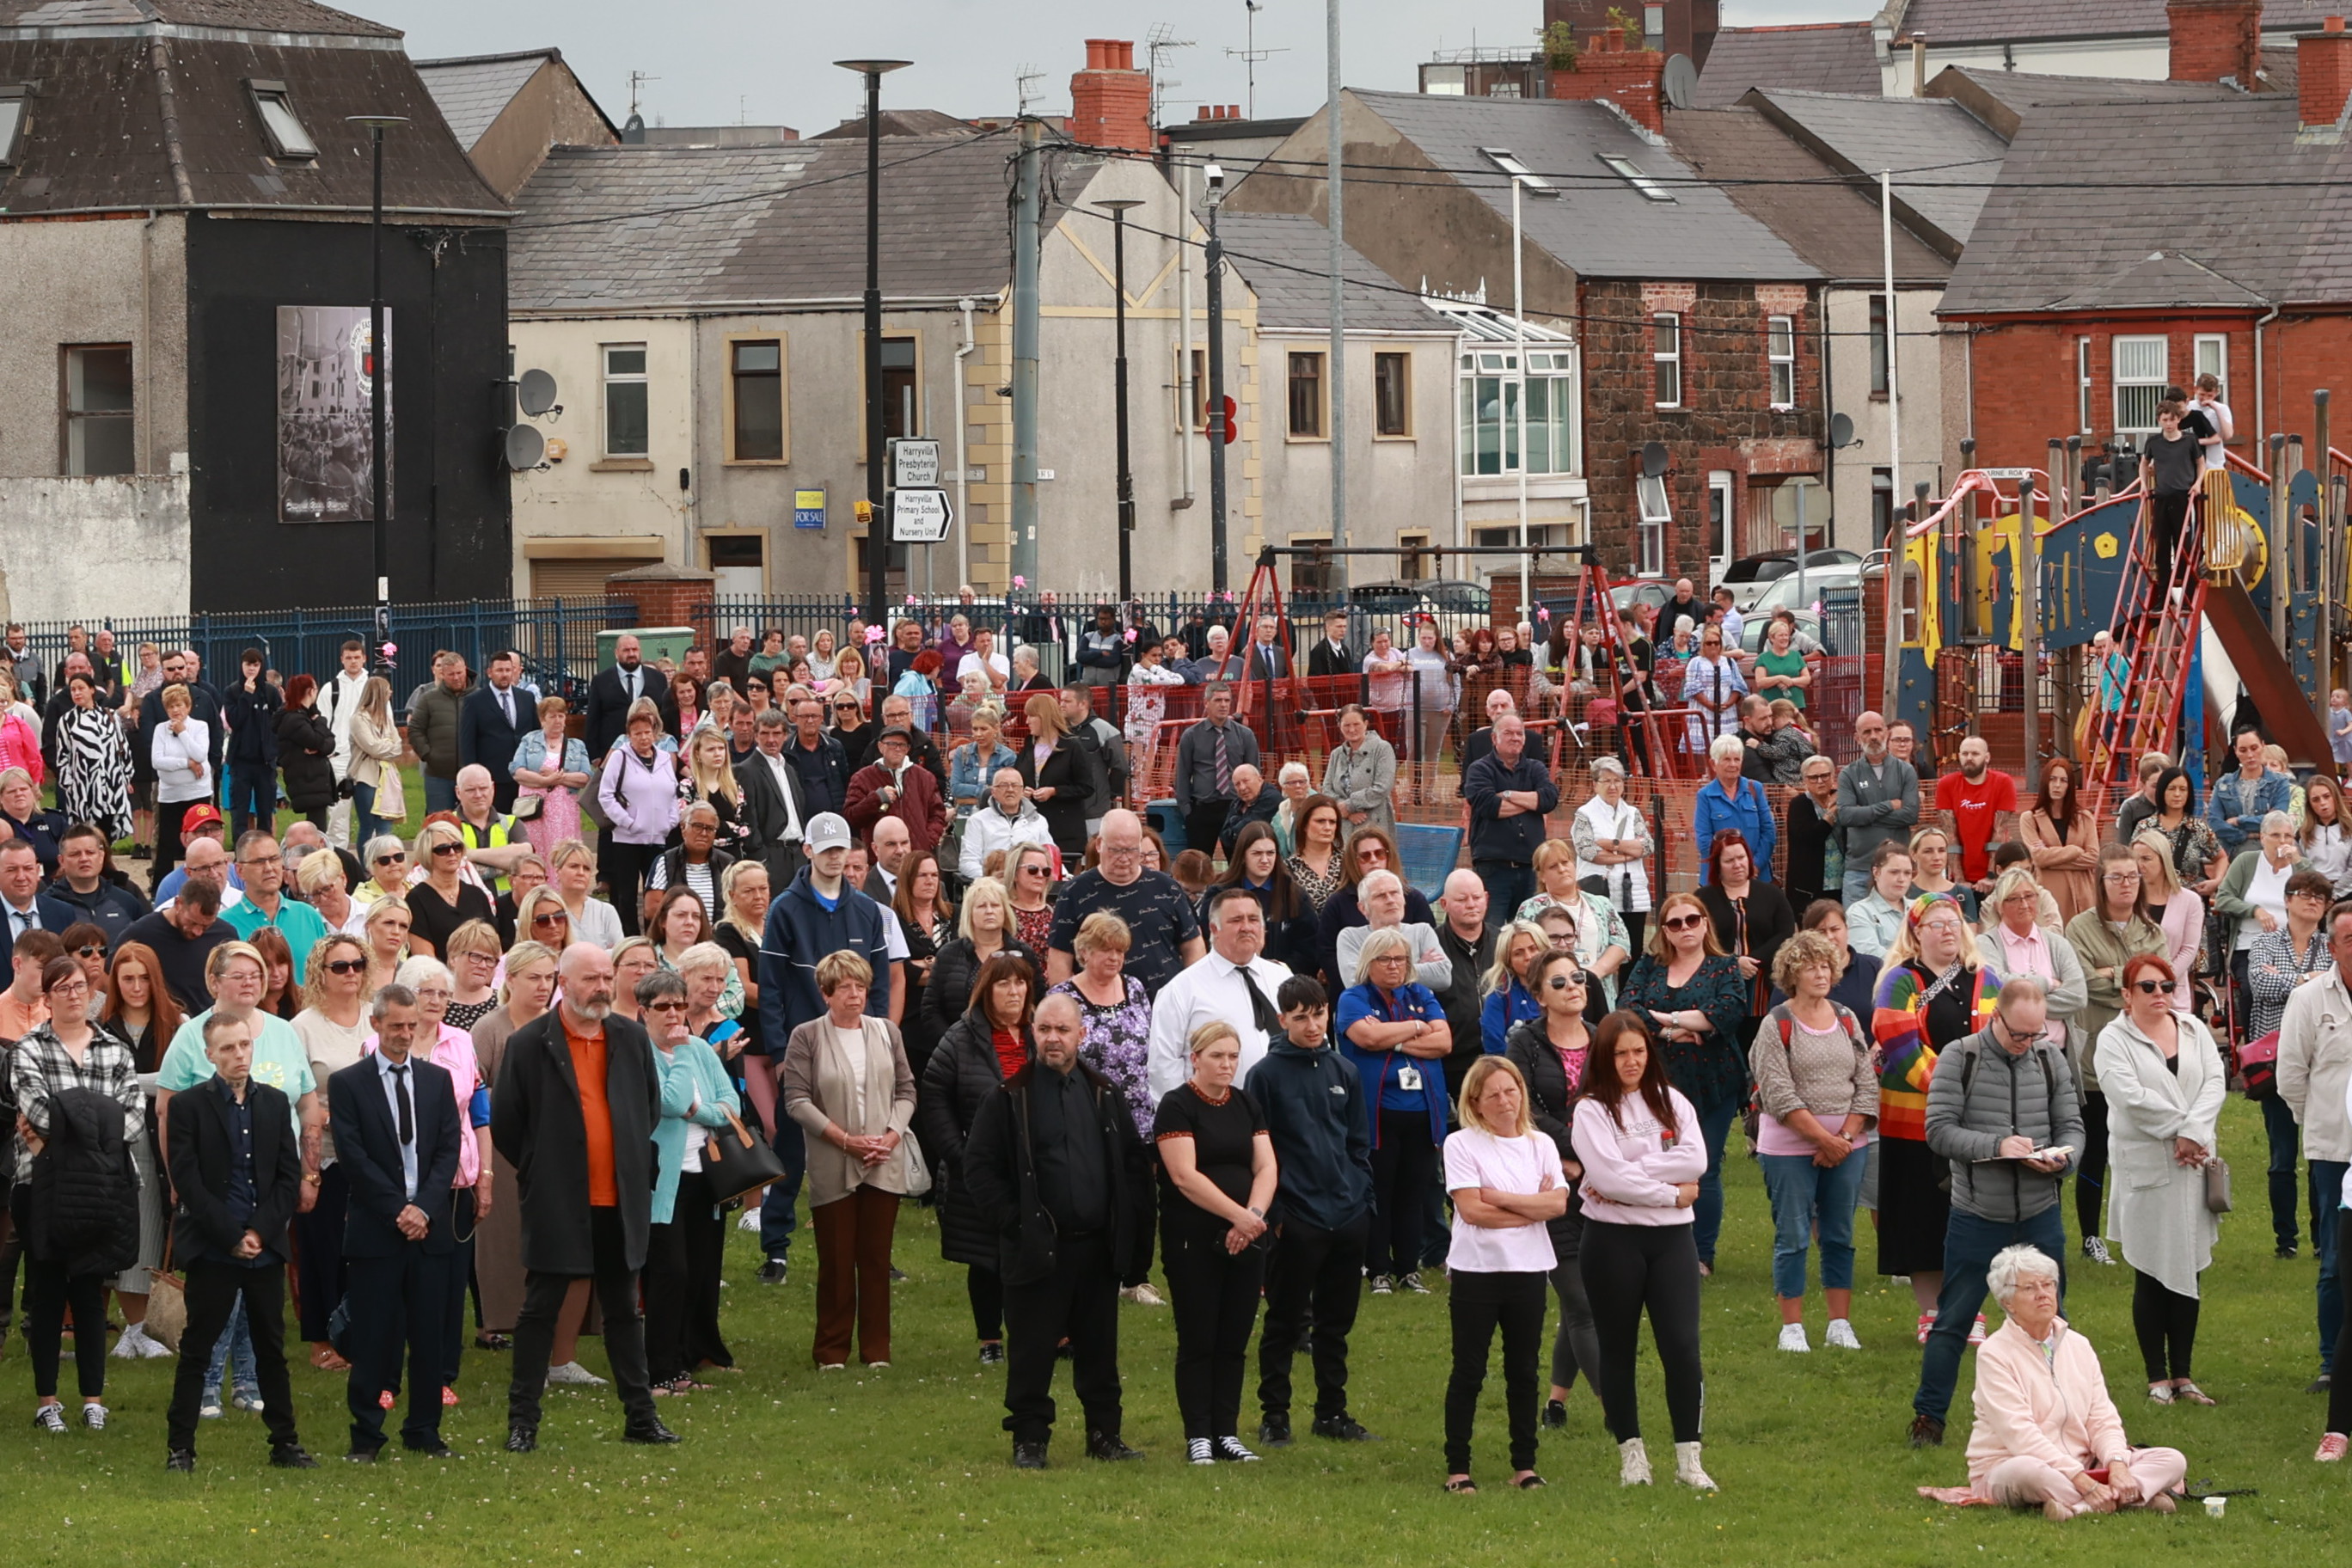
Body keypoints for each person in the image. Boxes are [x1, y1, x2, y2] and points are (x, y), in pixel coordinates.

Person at [961, 989, 1155, 1468]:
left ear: (1081, 1035)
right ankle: (1029, 1439)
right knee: (1031, 1351)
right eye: (1045, 1029)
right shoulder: (1009, 1097)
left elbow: (1132, 1167)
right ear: (1033, 1032)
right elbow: (979, 1170)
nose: (1053, 1038)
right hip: (1035, 1248)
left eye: (1063, 1030)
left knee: (1100, 1352)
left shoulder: (1104, 1094)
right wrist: (1017, 1222)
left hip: (1097, 1249)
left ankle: (1105, 1435)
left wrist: (1131, 1243)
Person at [493, 943, 674, 1452]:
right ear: (563, 984)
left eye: (606, 978)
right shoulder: (530, 1044)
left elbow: (647, 1109)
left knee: (624, 1311)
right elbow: (508, 1123)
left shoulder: (630, 1038)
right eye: (590, 978)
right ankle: (523, 1422)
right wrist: (541, 1169)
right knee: (539, 1311)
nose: (601, 988)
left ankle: (641, 1418)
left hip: (620, 1200)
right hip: (557, 1200)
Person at [1909, 975, 2081, 1449]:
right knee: (1953, 1319)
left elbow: (2072, 1125)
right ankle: (1929, 1419)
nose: (2027, 1042)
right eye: (2018, 1033)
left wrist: (2063, 1160)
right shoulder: (1959, 1057)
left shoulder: (2049, 1058)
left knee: (2053, 1318)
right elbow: (1938, 1131)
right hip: (1977, 1214)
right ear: (1995, 1017)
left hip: (2041, 1210)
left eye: (2035, 1033)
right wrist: (1997, 1146)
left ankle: (2065, 1417)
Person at [162, 1009, 316, 1473]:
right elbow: (188, 1181)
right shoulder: (188, 1107)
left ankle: (285, 1442)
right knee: (199, 1346)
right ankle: (181, 1448)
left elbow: (287, 1178)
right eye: (228, 1048)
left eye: (244, 1045)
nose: (239, 1055)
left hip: (264, 1247)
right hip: (213, 1246)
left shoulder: (275, 1103)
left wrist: (259, 1232)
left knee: (272, 1347)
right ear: (210, 1055)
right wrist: (231, 1235)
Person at [751, 812, 897, 1289]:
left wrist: (877, 1038)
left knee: (866, 1148)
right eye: (827, 849)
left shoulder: (868, 911)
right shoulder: (785, 910)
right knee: (791, 1152)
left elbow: (877, 986)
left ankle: (873, 1250)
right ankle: (776, 1248)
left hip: (859, 1047)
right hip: (803, 1049)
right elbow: (772, 988)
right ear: (809, 851)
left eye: (842, 849)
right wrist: (780, 1053)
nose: (836, 858)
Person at [1571, 1011, 1710, 1489]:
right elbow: (1607, 1179)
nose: (1631, 1062)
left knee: (1682, 1348)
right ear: (1604, 1059)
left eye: (1639, 1052)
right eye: (1620, 1054)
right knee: (1618, 1348)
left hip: (1671, 1241)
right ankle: (1632, 1455)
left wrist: (1629, 1172)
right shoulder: (1591, 1111)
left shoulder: (1672, 1101)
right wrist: (1670, 1192)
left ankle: (1689, 1460)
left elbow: (1695, 1160)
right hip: (1612, 1241)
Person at [1953, 1244, 2188, 1516]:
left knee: (2172, 1459)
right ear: (2007, 1302)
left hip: (2086, 1463)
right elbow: (2020, 1435)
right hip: (2016, 1463)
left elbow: (2102, 1417)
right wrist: (2081, 1480)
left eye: (2048, 1284)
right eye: (2029, 1288)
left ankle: (2084, 1506)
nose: (2042, 1294)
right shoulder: (1994, 1353)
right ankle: (2131, 1499)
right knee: (2028, 1472)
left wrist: (2117, 1464)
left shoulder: (2079, 1345)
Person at [326, 984, 461, 1459]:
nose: (405, 1034)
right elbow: (353, 1156)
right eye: (396, 1025)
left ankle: (424, 1430)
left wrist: (423, 1208)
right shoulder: (348, 1083)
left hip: (429, 1229)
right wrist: (397, 1210)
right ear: (376, 1024)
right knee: (373, 1337)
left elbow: (447, 1149)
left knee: (429, 1337)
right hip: (376, 1230)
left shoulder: (437, 1081)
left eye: (412, 1025)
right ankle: (366, 1435)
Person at [1242, 975, 1378, 1448]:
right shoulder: (1264, 1075)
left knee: (1335, 1324)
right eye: (1301, 1017)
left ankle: (1332, 1413)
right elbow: (1258, 1150)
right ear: (1283, 1019)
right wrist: (1278, 1216)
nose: (1313, 1025)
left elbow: (1359, 1143)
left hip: (1347, 1214)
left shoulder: (1345, 1070)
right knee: (1284, 1321)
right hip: (1296, 1219)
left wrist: (1362, 1200)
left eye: (1319, 1014)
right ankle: (1275, 1416)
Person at [11, 956, 144, 1433]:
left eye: (80, 986)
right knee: (47, 1293)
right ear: (47, 997)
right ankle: (47, 1401)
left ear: (92, 993)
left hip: (103, 1191)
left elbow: (132, 1119)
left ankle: (93, 1400)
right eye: (62, 988)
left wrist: (67, 1130)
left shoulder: (116, 1050)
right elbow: (37, 1113)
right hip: (40, 1187)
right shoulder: (27, 1050)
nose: (73, 995)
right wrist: (97, 1125)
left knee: (90, 1294)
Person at [1873, 891, 2002, 1356]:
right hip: (1913, 1122)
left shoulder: (1986, 978)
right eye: (1937, 924)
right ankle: (1932, 1311)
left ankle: (1968, 1311)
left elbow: (2001, 1037)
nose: (1948, 931)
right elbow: (1900, 1043)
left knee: (1971, 1218)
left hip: (1976, 1121)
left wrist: (1980, 1093)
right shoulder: (1900, 981)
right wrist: (1951, 1090)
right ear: (1916, 933)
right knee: (1921, 1217)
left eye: (1954, 923)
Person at [2093, 952, 2225, 1405]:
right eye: (2147, 987)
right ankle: (2156, 1378)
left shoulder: (2192, 1029)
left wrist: (2194, 1133)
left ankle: (2183, 1376)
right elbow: (2129, 1098)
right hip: (2147, 1165)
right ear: (2126, 995)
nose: (2159, 995)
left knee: (2190, 1265)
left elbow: (2214, 1083)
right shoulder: (2113, 1039)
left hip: (2193, 1163)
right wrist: (2180, 1132)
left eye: (2166, 986)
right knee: (2151, 1269)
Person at [780, 951, 915, 1371]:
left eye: (861, 986)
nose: (855, 995)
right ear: (826, 994)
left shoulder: (886, 1032)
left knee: (875, 1258)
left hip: (883, 1159)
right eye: (844, 988)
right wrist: (845, 1140)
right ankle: (831, 1351)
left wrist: (891, 1136)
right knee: (836, 1261)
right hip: (832, 1160)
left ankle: (877, 1351)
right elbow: (796, 1100)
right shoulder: (806, 1036)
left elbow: (907, 1091)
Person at [1436, 1056, 1564, 1494]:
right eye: (1492, 1095)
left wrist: (1500, 1198)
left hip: (1529, 1268)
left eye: (1511, 1091)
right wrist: (1530, 1209)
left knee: (1523, 1370)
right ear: (1475, 1101)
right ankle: (1458, 1468)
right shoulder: (1461, 1144)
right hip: (1478, 1269)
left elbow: (1557, 1204)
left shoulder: (1541, 1144)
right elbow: (1472, 1211)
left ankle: (1524, 1465)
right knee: (1469, 1370)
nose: (1504, 1101)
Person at [1153, 1019, 1277, 1466]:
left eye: (1232, 1056)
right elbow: (1184, 1176)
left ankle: (1226, 1431)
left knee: (1233, 1338)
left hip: (1246, 1239)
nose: (1227, 1064)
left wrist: (1253, 1218)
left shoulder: (1246, 1103)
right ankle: (1198, 1434)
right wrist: (1237, 1216)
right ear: (1196, 1058)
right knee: (1199, 1337)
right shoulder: (1177, 1106)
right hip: (1194, 1238)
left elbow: (1266, 1167)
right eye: (1217, 1056)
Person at [1755, 931, 1877, 1351]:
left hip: (1848, 1146)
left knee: (1839, 1234)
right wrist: (1826, 1140)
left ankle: (1839, 1323)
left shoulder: (1846, 1018)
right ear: (1793, 974)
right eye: (1811, 967)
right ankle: (1792, 1328)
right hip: (1788, 1149)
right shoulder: (1776, 1024)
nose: (1822, 974)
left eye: (1826, 966)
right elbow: (1777, 1093)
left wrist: (1844, 1138)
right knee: (1793, 1236)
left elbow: (1866, 1083)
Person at [919, 950, 1039, 1366]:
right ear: (986, 990)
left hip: (1038, 1167)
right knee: (988, 1257)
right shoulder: (961, 1037)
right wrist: (961, 1156)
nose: (1014, 991)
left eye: (1021, 982)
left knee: (1038, 1252)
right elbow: (934, 1098)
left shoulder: (1040, 1034)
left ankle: (1046, 1333)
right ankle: (990, 1339)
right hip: (982, 1169)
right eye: (1004, 983)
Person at [1616, 891, 1747, 1273]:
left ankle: (1701, 1254)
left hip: (1715, 1081)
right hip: (1659, 1083)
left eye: (1692, 920)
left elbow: (1727, 1012)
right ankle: (1664, 1244)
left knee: (1705, 1165)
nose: (1685, 928)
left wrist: (1665, 1018)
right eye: (1675, 923)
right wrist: (1677, 1029)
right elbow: (1629, 1008)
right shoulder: (1650, 965)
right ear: (1665, 931)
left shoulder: (1724, 966)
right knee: (1660, 1164)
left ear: (1705, 923)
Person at [1502, 952, 1602, 1424]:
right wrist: (1571, 1150)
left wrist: (1594, 1159)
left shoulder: (1603, 1037)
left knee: (1584, 1301)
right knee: (1581, 1300)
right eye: (1558, 982)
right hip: (1550, 1181)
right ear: (1539, 996)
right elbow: (1520, 1107)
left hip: (1602, 1183)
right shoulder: (1523, 1041)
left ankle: (1556, 1402)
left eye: (1577, 978)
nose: (1572, 987)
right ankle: (1617, 1408)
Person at [2280, 896, 2352, 1390]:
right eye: (2350, 939)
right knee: (2335, 1261)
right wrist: (2322, 1124)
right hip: (2333, 1153)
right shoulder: (2308, 1000)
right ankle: (2332, 1364)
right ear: (2332, 946)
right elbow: (2291, 1076)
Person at [1145, 885, 1292, 1104]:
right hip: (1215, 1114)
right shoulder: (1181, 989)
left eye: (1253, 919)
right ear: (1214, 929)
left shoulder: (1282, 978)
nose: (1246, 927)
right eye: (1236, 920)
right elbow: (1163, 1066)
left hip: (1287, 1108)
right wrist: (1183, 1117)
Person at [1047, 809, 1203, 992]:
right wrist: (1065, 1003)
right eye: (1116, 850)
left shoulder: (1167, 887)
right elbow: (1059, 958)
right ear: (1099, 844)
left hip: (1166, 1001)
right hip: (1097, 1005)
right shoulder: (1074, 892)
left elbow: (1193, 946)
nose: (1124, 858)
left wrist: (1193, 994)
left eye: (1131, 850)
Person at [1694, 829, 1795, 1050]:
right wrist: (1732, 963)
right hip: (1718, 985)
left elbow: (1786, 933)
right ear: (1718, 865)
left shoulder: (1772, 894)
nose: (1738, 864)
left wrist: (1754, 960)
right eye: (1729, 861)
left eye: (1741, 857)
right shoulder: (1703, 898)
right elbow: (1698, 939)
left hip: (1764, 986)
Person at [1461, 714, 1559, 918]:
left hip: (1531, 868)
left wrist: (1508, 794)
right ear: (1494, 738)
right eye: (1508, 733)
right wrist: (1532, 803)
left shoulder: (1536, 768)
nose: (1515, 738)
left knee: (1530, 930)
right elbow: (1490, 806)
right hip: (1493, 869)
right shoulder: (1479, 769)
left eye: (1519, 733)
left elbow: (1549, 799)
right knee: (1493, 931)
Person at [599, 700, 682, 936]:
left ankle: (655, 938)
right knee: (626, 894)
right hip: (627, 838)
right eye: (637, 734)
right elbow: (606, 795)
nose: (643, 738)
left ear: (654, 733)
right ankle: (630, 938)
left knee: (655, 893)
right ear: (629, 736)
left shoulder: (664, 758)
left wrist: (671, 821)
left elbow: (673, 792)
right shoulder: (620, 757)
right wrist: (628, 822)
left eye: (647, 732)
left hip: (658, 838)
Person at [1835, 711, 1920, 905]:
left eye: (1878, 730)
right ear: (1857, 738)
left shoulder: (1906, 771)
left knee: (1900, 924)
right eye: (1867, 732)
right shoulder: (1848, 774)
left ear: (1886, 733)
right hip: (1859, 870)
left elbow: (1911, 815)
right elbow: (1846, 816)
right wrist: (1888, 805)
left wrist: (1864, 814)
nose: (1873, 736)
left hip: (1898, 869)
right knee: (1857, 924)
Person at [1571, 756, 1653, 952]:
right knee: (1598, 949)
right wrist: (1628, 854)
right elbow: (1588, 851)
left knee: (1632, 951)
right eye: (1606, 781)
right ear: (1595, 785)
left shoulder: (1633, 813)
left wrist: (1612, 844)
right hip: (1599, 892)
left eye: (1617, 781)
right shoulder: (1584, 813)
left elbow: (1647, 846)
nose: (1613, 786)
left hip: (1634, 894)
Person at [1172, 683, 1255, 861]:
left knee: (1240, 864)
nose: (1223, 705)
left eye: (1227, 700)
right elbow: (1182, 775)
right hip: (1202, 809)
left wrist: (1250, 809)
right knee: (1199, 865)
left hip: (1235, 808)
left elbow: (1254, 774)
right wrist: (1187, 811)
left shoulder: (1245, 735)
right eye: (1218, 700)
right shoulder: (1191, 736)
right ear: (1206, 703)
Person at [1934, 736, 2018, 901]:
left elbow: (1999, 832)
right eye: (1965, 754)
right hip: (1961, 873)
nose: (1969, 758)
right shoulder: (1946, 784)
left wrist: (1991, 876)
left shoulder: (2003, 782)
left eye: (1975, 754)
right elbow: (1950, 834)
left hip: (1996, 873)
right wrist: (1959, 879)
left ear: (1987, 757)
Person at [52, 672, 132, 842]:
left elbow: (123, 747)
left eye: (81, 688)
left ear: (92, 690)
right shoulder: (67, 720)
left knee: (106, 837)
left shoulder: (110, 716)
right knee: (86, 837)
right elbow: (62, 756)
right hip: (83, 789)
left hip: (111, 787)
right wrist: (70, 784)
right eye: (73, 689)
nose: (77, 693)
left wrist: (125, 777)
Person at [510, 695, 591, 859]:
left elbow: (585, 777)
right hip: (534, 810)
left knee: (563, 853)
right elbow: (517, 771)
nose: (558, 720)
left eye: (561, 716)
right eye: (552, 716)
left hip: (564, 811)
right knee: (535, 852)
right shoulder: (529, 740)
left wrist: (558, 778)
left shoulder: (577, 745)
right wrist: (545, 781)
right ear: (542, 719)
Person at [2138, 397, 2201, 591]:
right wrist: (2143, 484)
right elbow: (2144, 463)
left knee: (2183, 544)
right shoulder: (2154, 442)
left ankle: (2187, 590)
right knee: (2162, 545)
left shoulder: (2189, 440)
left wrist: (2197, 483)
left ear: (2178, 419)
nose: (2169, 424)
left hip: (2183, 496)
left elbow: (2200, 463)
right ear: (2159, 420)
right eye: (2165, 420)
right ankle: (2163, 591)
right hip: (2162, 497)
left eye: (2172, 419)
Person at [960, 766, 1053, 885]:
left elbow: (1050, 857)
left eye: (1015, 785)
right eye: (1004, 785)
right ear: (993, 792)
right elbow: (967, 862)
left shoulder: (1039, 821)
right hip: (992, 886)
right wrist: (993, 880)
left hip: (1028, 885)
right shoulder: (977, 821)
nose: (1010, 790)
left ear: (1022, 791)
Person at [405, 652, 471, 817]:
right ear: (443, 674)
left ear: (465, 670)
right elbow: (415, 729)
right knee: (439, 822)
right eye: (451, 674)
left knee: (472, 820)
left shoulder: (479, 697)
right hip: (438, 775)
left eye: (459, 673)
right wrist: (428, 755)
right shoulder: (428, 699)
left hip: (471, 773)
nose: (456, 678)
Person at [2209, 727, 2294, 855]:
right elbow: (2214, 823)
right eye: (2243, 750)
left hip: (2269, 851)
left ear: (2263, 746)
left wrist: (2239, 821)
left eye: (2254, 748)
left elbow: (2276, 821)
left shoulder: (2279, 782)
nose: (2250, 755)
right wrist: (2247, 835)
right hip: (2230, 851)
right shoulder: (2223, 784)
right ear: (2236, 751)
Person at [343, 677, 404, 850]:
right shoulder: (358, 719)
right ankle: (366, 864)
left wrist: (385, 745)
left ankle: (384, 859)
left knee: (385, 826)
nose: (391, 693)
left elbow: (399, 746)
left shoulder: (386, 718)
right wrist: (388, 745)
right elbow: (372, 747)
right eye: (387, 689)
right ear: (378, 693)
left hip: (387, 777)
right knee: (368, 825)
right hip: (365, 777)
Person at [1322, 703, 1397, 841]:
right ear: (1340, 726)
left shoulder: (1382, 749)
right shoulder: (1336, 754)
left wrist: (1350, 805)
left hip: (1374, 825)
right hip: (1342, 827)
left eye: (1356, 724)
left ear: (1366, 724)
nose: (1352, 730)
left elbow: (1382, 787)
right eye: (1347, 725)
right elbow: (1327, 789)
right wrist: (1345, 812)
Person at [1479, 919, 1547, 1056]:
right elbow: (1494, 1049)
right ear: (1508, 960)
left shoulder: (1562, 986)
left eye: (1533, 949)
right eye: (1518, 953)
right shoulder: (1499, 996)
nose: (1528, 957)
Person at [1678, 622, 1744, 758]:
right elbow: (1693, 688)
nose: (1713, 646)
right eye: (1709, 643)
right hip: (1702, 712)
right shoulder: (1695, 662)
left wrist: (1728, 703)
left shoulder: (1729, 662)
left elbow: (1738, 685)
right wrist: (1710, 705)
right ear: (1703, 645)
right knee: (1702, 753)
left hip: (1726, 713)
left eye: (1716, 643)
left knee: (1725, 752)